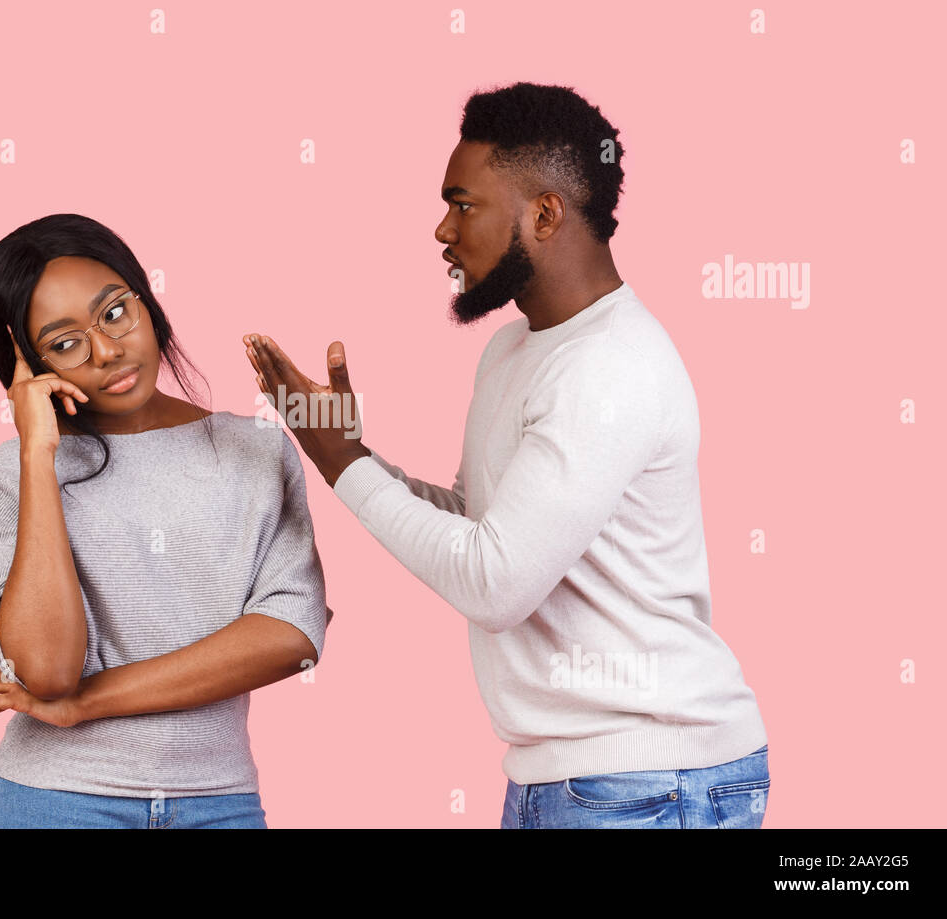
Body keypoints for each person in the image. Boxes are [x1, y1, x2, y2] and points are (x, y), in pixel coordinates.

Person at [243, 82, 770, 829]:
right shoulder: (513, 349)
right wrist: (347, 448)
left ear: (544, 214)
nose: (441, 230)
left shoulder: (610, 366)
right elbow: (477, 521)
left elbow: (495, 582)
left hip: (649, 780)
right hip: (572, 778)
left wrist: (342, 466)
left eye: (463, 204)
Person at [0, 213, 329, 829]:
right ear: (25, 363)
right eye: (66, 343)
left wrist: (85, 705)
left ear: (144, 298)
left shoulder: (257, 451)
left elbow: (292, 637)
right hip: (52, 804)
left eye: (113, 312)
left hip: (222, 803)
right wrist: (37, 455)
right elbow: (48, 672)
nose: (107, 350)